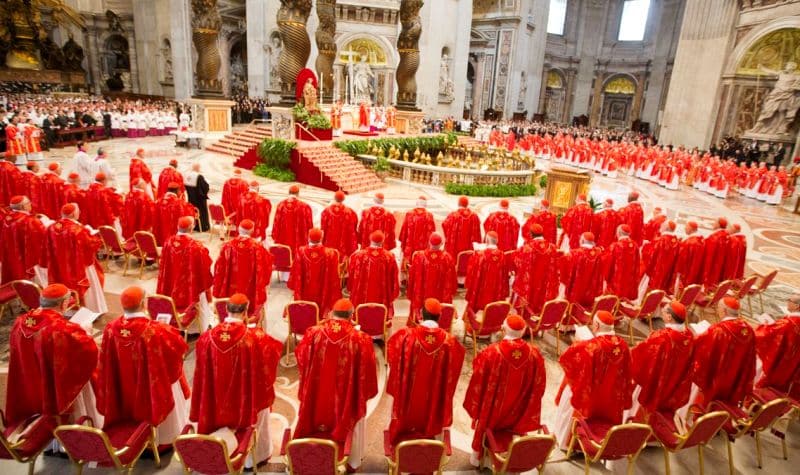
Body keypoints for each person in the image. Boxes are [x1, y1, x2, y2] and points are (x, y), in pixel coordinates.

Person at [190, 293, 283, 466]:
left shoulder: (206, 338)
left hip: (216, 394)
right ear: (246, 311)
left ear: (225, 310)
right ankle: (255, 457)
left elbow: (201, 373)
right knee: (259, 404)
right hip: (247, 395)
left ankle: (218, 452)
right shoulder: (256, 338)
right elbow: (273, 356)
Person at [95, 286, 190, 447]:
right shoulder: (155, 329)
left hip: (123, 383)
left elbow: (105, 360)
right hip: (151, 385)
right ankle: (164, 438)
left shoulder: (110, 329)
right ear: (143, 304)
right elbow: (179, 348)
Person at [294, 298, 378, 471]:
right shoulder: (361, 339)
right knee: (351, 416)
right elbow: (368, 370)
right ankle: (352, 460)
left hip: (315, 394)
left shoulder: (313, 333)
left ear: (332, 313)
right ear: (352, 316)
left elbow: (301, 357)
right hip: (345, 396)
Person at [5, 284, 98, 431]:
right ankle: (71, 436)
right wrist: (86, 331)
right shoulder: (61, 328)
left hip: (30, 377)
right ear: (63, 303)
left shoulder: (20, 322)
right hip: (55, 382)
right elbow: (87, 351)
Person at [463, 315, 546, 466]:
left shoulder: (491, 353)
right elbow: (539, 386)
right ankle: (513, 456)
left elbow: (478, 382)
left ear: (502, 329)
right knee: (514, 423)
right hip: (518, 411)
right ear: (523, 332)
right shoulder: (534, 355)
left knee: (488, 422)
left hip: (493, 410)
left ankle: (479, 459)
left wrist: (477, 406)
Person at [386, 299, 465, 446]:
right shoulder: (450, 342)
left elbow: (391, 354)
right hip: (433, 395)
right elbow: (454, 370)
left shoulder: (406, 336)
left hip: (408, 395)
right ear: (439, 317)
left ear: (421, 314)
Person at [554, 310, 632, 449]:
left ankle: (569, 444)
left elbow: (567, 359)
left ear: (596, 325)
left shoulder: (591, 346)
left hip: (589, 393)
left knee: (571, 393)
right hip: (610, 395)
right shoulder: (624, 346)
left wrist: (577, 342)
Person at [629, 302, 694, 420]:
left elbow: (643, 355)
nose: (662, 313)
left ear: (669, 317)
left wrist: (638, 347)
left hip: (658, 379)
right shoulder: (689, 335)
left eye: (663, 311)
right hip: (675, 381)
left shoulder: (662, 337)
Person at [691, 297, 756, 409]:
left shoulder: (719, 330)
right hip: (735, 376)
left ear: (724, 311)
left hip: (717, 375)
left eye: (718, 308)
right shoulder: (748, 329)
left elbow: (703, 351)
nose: (717, 310)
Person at [40, 203, 106, 313]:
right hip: (78, 266)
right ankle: (90, 311)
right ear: (74, 213)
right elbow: (92, 245)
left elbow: (46, 247)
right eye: (78, 211)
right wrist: (93, 235)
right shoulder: (78, 229)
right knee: (87, 288)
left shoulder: (51, 228)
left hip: (58, 266)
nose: (79, 213)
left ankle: (67, 309)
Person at [157, 216, 213, 330]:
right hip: (190, 286)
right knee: (200, 299)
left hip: (171, 281)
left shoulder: (168, 242)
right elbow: (204, 268)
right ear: (192, 228)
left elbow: (163, 264)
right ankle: (199, 329)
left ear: (177, 227)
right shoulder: (196, 246)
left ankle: (177, 326)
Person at [213, 219, 274, 316]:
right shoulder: (258, 247)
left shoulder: (227, 246)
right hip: (251, 287)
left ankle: (232, 316)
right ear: (252, 231)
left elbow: (219, 268)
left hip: (231, 287)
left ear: (238, 229)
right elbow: (267, 264)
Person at [288, 228, 342, 318]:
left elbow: (296, 271)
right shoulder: (330, 253)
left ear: (308, 238)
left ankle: (305, 316)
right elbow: (334, 277)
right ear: (321, 238)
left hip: (305, 290)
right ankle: (321, 317)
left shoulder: (301, 251)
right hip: (323, 291)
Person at [754, 294, 800, 395]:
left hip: (778, 358)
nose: (787, 301)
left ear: (797, 306)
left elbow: (765, 335)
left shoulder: (788, 323)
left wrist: (764, 326)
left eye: (790, 300)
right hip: (792, 361)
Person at [347, 230, 400, 319]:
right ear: (382, 241)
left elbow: (352, 276)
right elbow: (393, 279)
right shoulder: (389, 257)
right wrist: (392, 294)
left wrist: (351, 288)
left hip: (361, 296)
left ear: (370, 239)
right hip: (381, 297)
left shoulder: (358, 256)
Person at [406, 233, 457, 324]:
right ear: (441, 244)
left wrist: (410, 292)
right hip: (440, 296)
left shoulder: (419, 257)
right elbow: (452, 280)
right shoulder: (447, 258)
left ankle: (418, 322)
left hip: (422, 295)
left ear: (429, 242)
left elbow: (412, 277)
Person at [511, 224, 560, 316]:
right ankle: (539, 315)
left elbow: (517, 262)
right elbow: (555, 266)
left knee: (527, 297)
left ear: (531, 234)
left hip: (530, 283)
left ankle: (524, 316)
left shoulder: (527, 248)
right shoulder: (552, 248)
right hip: (544, 282)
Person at [560, 232, 607, 321]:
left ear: (582, 240)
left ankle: (569, 322)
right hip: (590, 289)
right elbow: (601, 272)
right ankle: (583, 320)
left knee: (573, 301)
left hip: (576, 287)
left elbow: (564, 268)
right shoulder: (598, 254)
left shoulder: (575, 253)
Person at [0, 196, 45, 284]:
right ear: (24, 207)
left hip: (11, 255)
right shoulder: (29, 220)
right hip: (28, 258)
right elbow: (43, 238)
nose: (30, 204)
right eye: (29, 203)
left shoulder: (6, 218)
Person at [465, 232, 510, 314]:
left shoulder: (480, 255)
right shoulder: (503, 255)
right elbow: (504, 276)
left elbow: (472, 270)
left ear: (486, 240)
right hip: (496, 290)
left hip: (481, 289)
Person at [640, 220, 680, 293]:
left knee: (647, 290)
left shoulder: (660, 240)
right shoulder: (676, 242)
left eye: (663, 225)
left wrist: (645, 246)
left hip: (655, 270)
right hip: (667, 272)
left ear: (666, 227)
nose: (661, 226)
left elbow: (650, 254)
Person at [271, 185, 313, 255]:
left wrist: (274, 235)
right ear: (298, 193)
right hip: (298, 240)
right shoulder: (304, 207)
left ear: (288, 192)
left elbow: (276, 222)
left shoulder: (281, 205)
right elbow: (309, 224)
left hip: (283, 239)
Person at [320, 190, 358, 262]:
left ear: (334, 198)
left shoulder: (326, 211)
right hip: (344, 241)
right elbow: (354, 227)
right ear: (343, 199)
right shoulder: (350, 212)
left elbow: (323, 227)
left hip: (330, 240)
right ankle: (342, 268)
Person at [605, 225, 640, 301]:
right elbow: (637, 265)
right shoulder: (635, 245)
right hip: (630, 280)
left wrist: (606, 277)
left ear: (619, 233)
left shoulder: (615, 246)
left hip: (617, 281)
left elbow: (608, 264)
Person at [398, 195, 436, 264]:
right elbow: (432, 233)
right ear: (425, 204)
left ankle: (407, 272)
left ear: (416, 203)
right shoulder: (429, 216)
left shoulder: (409, 214)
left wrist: (403, 243)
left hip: (409, 245)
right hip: (423, 247)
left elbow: (404, 230)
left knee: (407, 264)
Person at [673, 221, 705, 289]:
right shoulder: (701, 240)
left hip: (686, 272)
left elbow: (682, 259)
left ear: (691, 228)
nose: (684, 228)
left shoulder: (689, 242)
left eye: (686, 226)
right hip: (695, 272)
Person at [702, 217, 730, 288]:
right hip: (719, 265)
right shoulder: (727, 235)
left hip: (711, 265)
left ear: (718, 224)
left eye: (715, 222)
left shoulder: (715, 237)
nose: (713, 224)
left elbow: (706, 249)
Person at [184, 163, 210, 232]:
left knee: (192, 211)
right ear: (197, 168)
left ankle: (193, 226)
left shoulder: (187, 175)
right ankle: (203, 227)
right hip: (199, 200)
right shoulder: (199, 176)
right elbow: (205, 187)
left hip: (191, 199)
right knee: (201, 213)